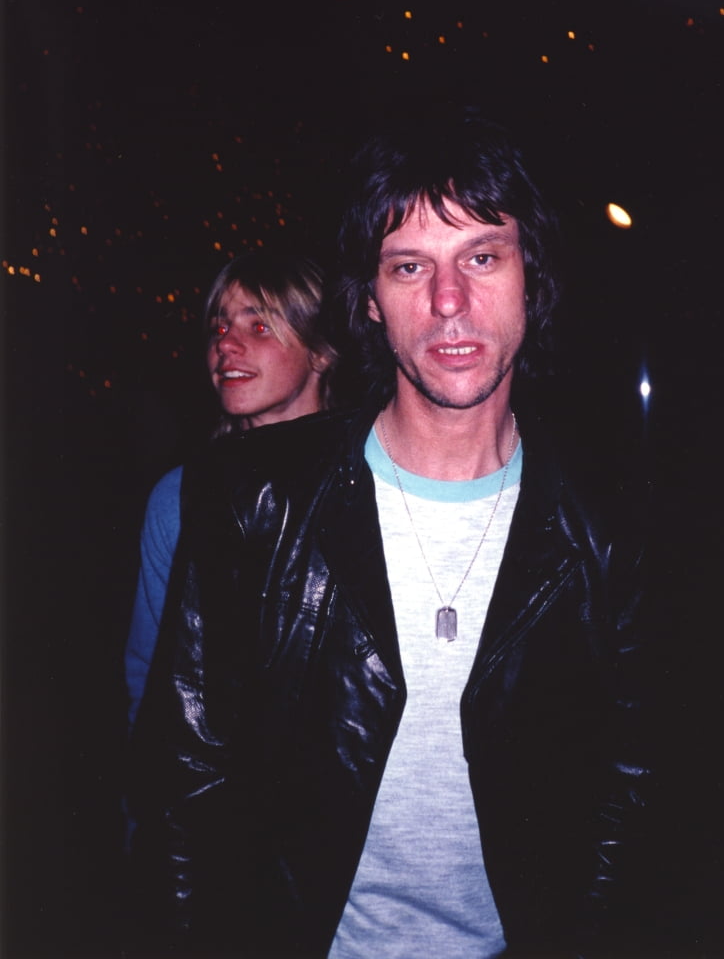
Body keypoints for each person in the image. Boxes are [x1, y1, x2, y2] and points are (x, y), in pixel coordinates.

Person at [129, 115, 652, 958]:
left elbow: (629, 795)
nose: (450, 302)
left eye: (482, 257)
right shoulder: (252, 498)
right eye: (411, 267)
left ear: (533, 278)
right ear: (370, 302)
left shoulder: (609, 526)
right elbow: (185, 784)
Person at [124, 250, 337, 727]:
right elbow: (150, 672)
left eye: (258, 327)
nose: (226, 346)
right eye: (219, 328)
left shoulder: (368, 486)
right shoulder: (178, 499)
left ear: (320, 351)